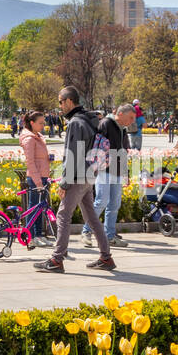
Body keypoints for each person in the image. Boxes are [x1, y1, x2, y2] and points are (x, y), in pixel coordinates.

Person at [35, 86, 115, 273]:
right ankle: (106, 257)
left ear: (69, 101)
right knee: (91, 216)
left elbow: (73, 155)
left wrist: (65, 182)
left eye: (61, 102)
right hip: (89, 174)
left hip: (78, 176)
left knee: (63, 215)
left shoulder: (75, 123)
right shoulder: (91, 119)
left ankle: (56, 260)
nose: (60, 106)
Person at [82, 103, 134, 251]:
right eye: (130, 117)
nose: (132, 121)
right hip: (104, 170)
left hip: (116, 171)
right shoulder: (106, 123)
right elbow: (95, 145)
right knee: (101, 201)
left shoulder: (123, 129)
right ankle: (86, 231)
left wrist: (125, 173)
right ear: (121, 114)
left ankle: (110, 235)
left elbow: (123, 152)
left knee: (114, 205)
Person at [19, 109, 54, 244]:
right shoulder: (29, 139)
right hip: (36, 178)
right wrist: (38, 181)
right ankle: (32, 236)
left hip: (43, 176)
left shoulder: (38, 136)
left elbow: (38, 158)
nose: (43, 126)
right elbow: (30, 162)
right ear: (32, 123)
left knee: (40, 208)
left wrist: (47, 159)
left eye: (43, 123)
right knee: (33, 207)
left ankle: (39, 234)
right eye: (40, 123)